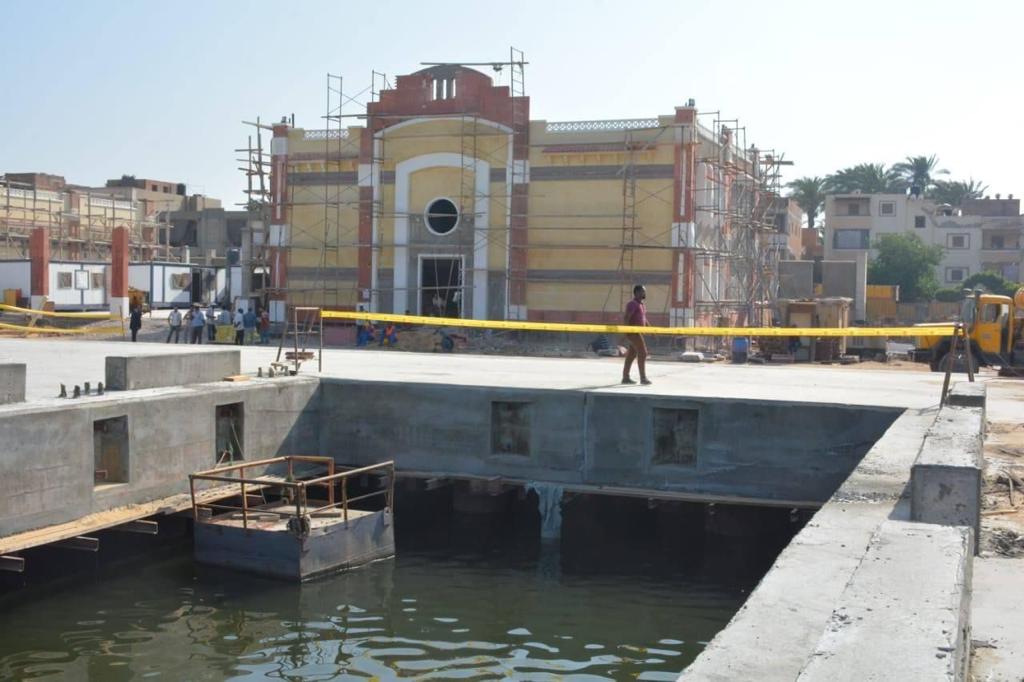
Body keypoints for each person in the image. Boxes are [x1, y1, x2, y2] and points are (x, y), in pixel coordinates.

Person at [622, 284, 652, 385]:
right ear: (637, 292)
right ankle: (643, 378)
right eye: (643, 291)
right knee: (643, 353)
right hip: (633, 332)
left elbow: (644, 319)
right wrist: (626, 332)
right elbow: (627, 317)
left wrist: (651, 330)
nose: (644, 293)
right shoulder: (632, 304)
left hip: (638, 332)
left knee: (631, 354)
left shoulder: (641, 304)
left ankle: (625, 377)